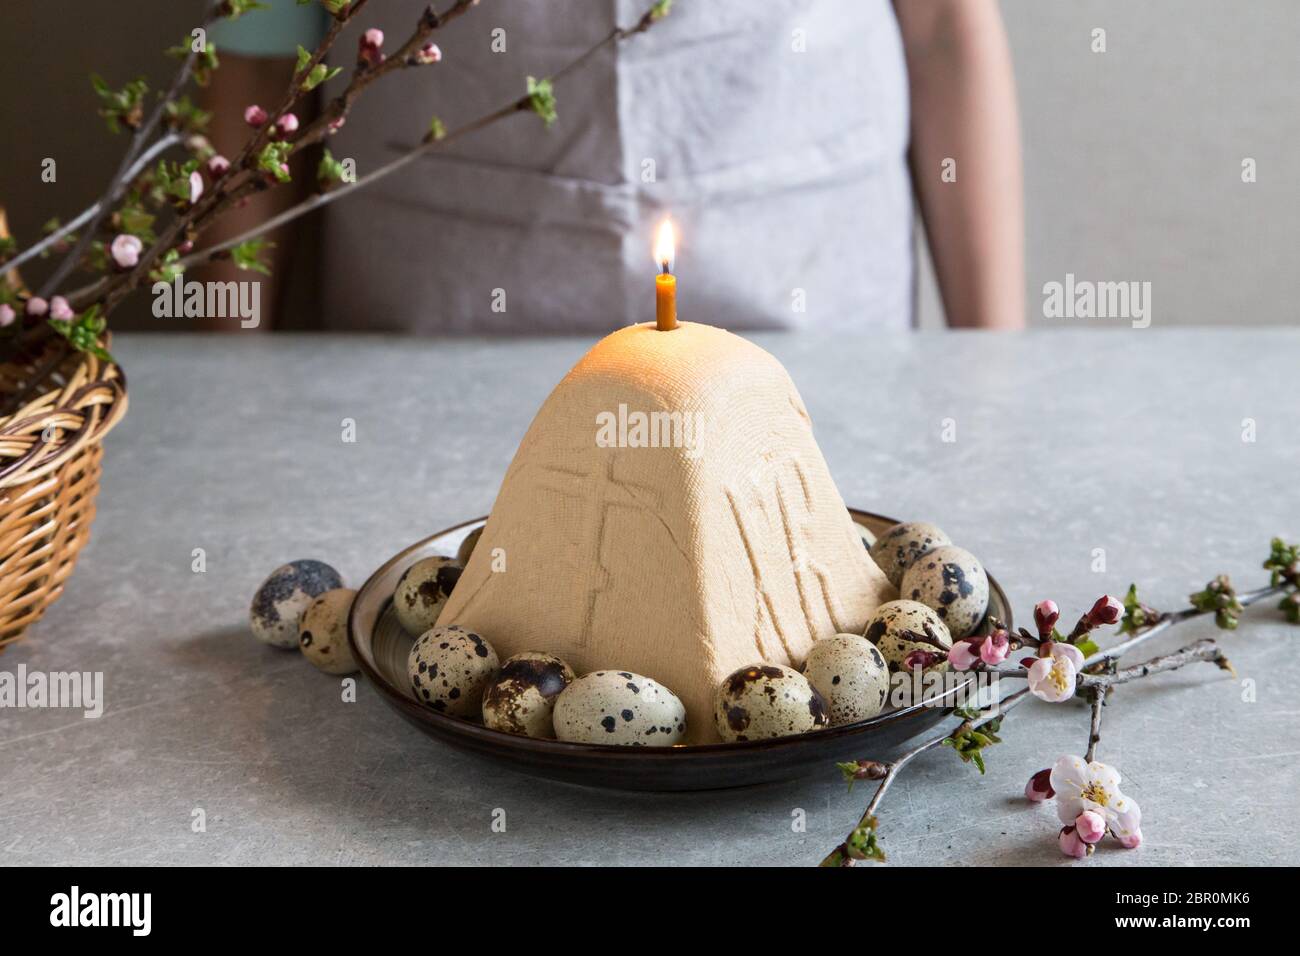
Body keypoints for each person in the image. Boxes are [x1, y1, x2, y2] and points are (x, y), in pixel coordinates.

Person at [205, 0, 1024, 333]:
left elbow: (946, 27)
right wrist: (226, 384)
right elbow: (260, 53)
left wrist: (994, 372)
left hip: (806, 278)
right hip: (441, 300)